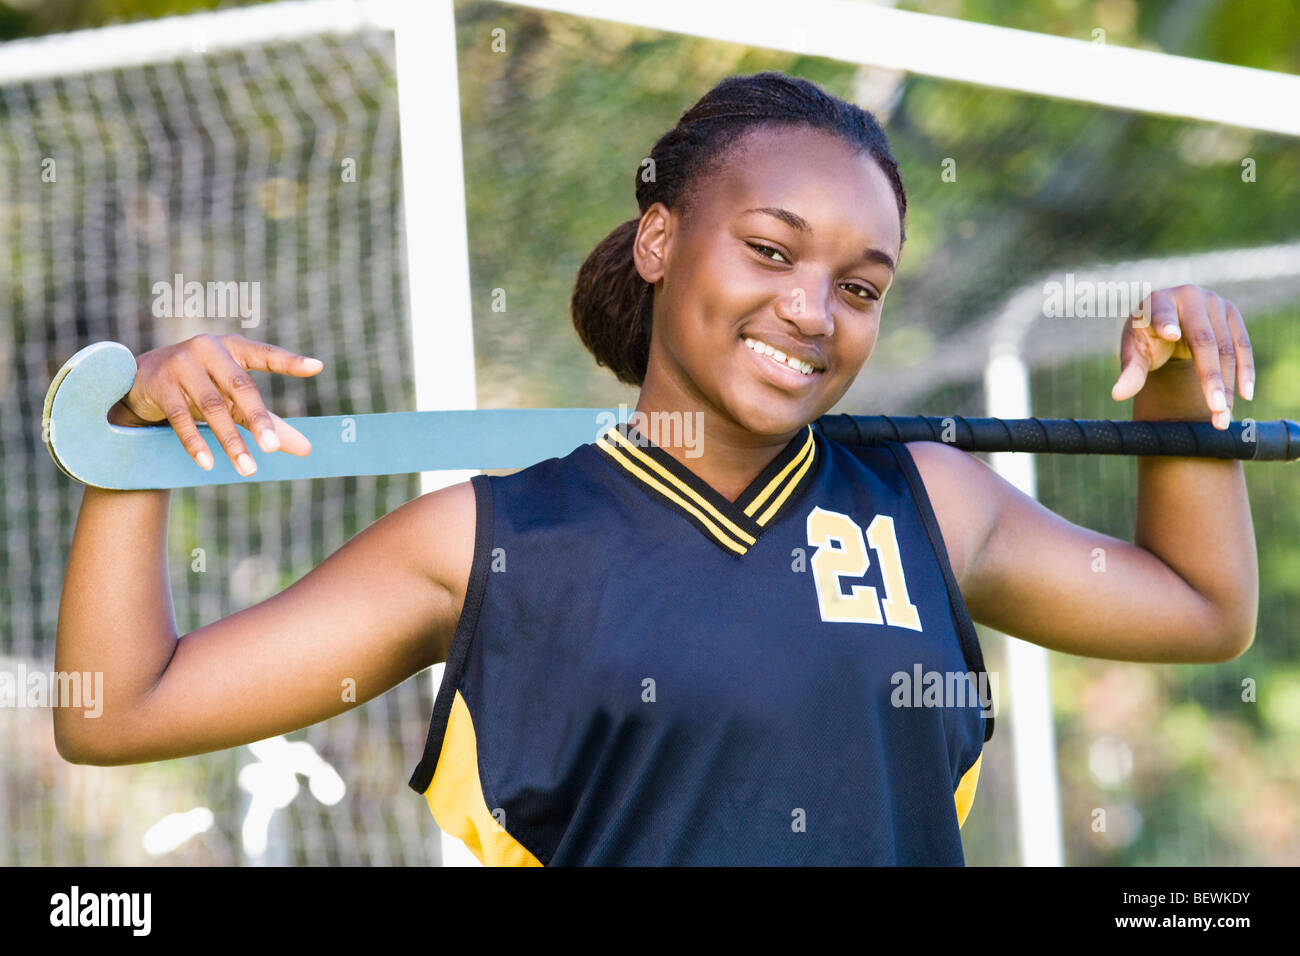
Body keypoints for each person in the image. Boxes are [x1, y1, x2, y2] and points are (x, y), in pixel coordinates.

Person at [53, 71, 1257, 866]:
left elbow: (1202, 608)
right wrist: (132, 451)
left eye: (859, 286)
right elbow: (119, 712)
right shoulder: (484, 538)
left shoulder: (927, 503)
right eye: (770, 250)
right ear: (661, 238)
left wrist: (1172, 390)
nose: (811, 311)